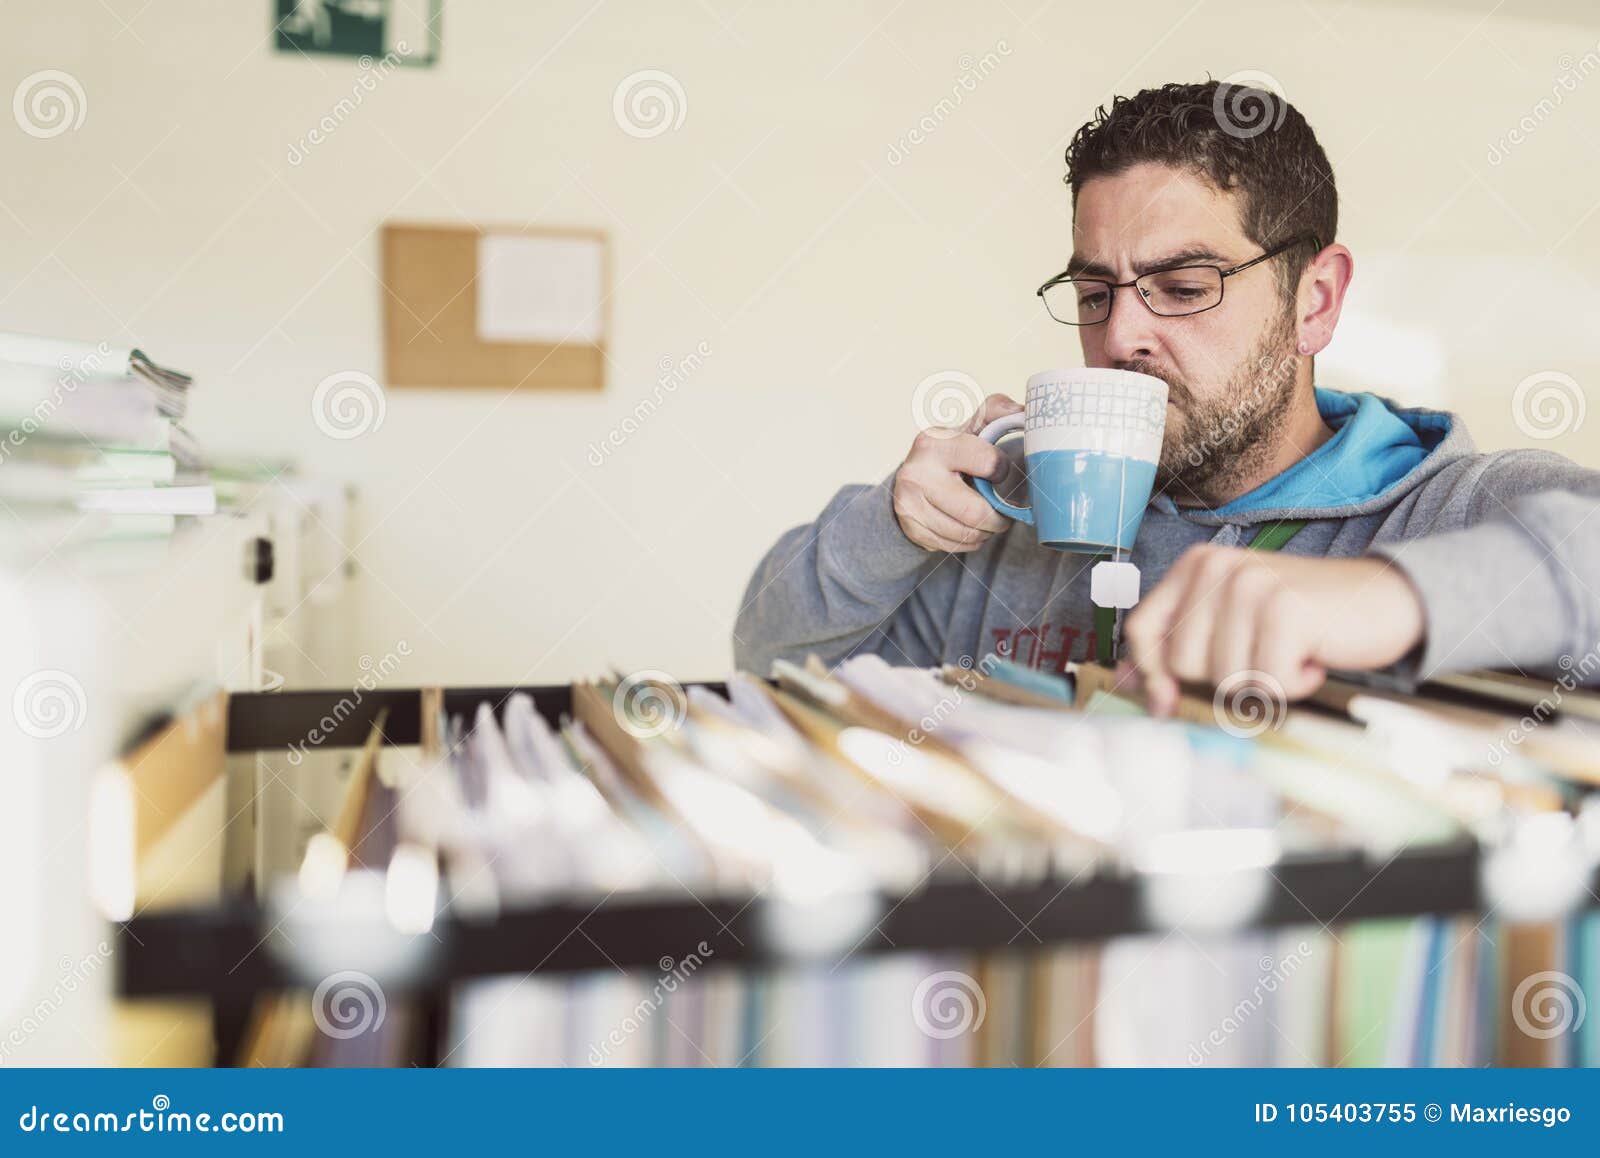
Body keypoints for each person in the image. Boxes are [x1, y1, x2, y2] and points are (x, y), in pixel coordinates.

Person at [734, 80, 1600, 716]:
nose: (1120, 338)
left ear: (1317, 301)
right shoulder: (1016, 519)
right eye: (1094, 293)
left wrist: (1386, 599)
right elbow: (769, 658)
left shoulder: (1456, 511)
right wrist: (891, 527)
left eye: (1184, 286)